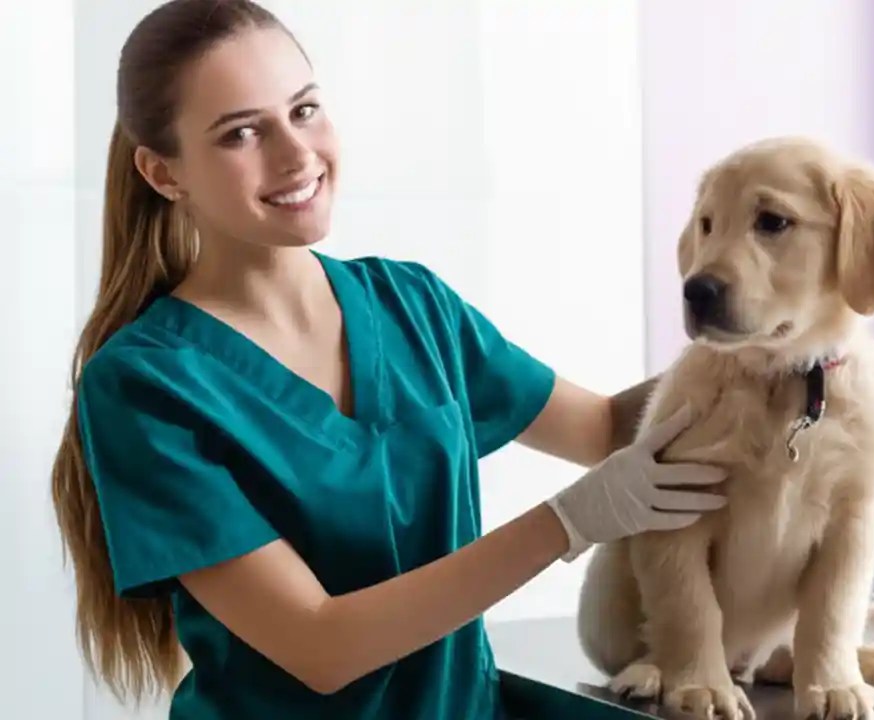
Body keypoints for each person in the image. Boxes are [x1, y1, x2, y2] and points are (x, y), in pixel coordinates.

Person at [48, 1, 727, 718]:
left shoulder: (411, 303)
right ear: (163, 173)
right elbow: (321, 648)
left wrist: (762, 362)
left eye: (304, 110)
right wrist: (565, 524)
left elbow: (599, 429)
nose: (294, 154)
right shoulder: (145, 386)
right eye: (242, 132)